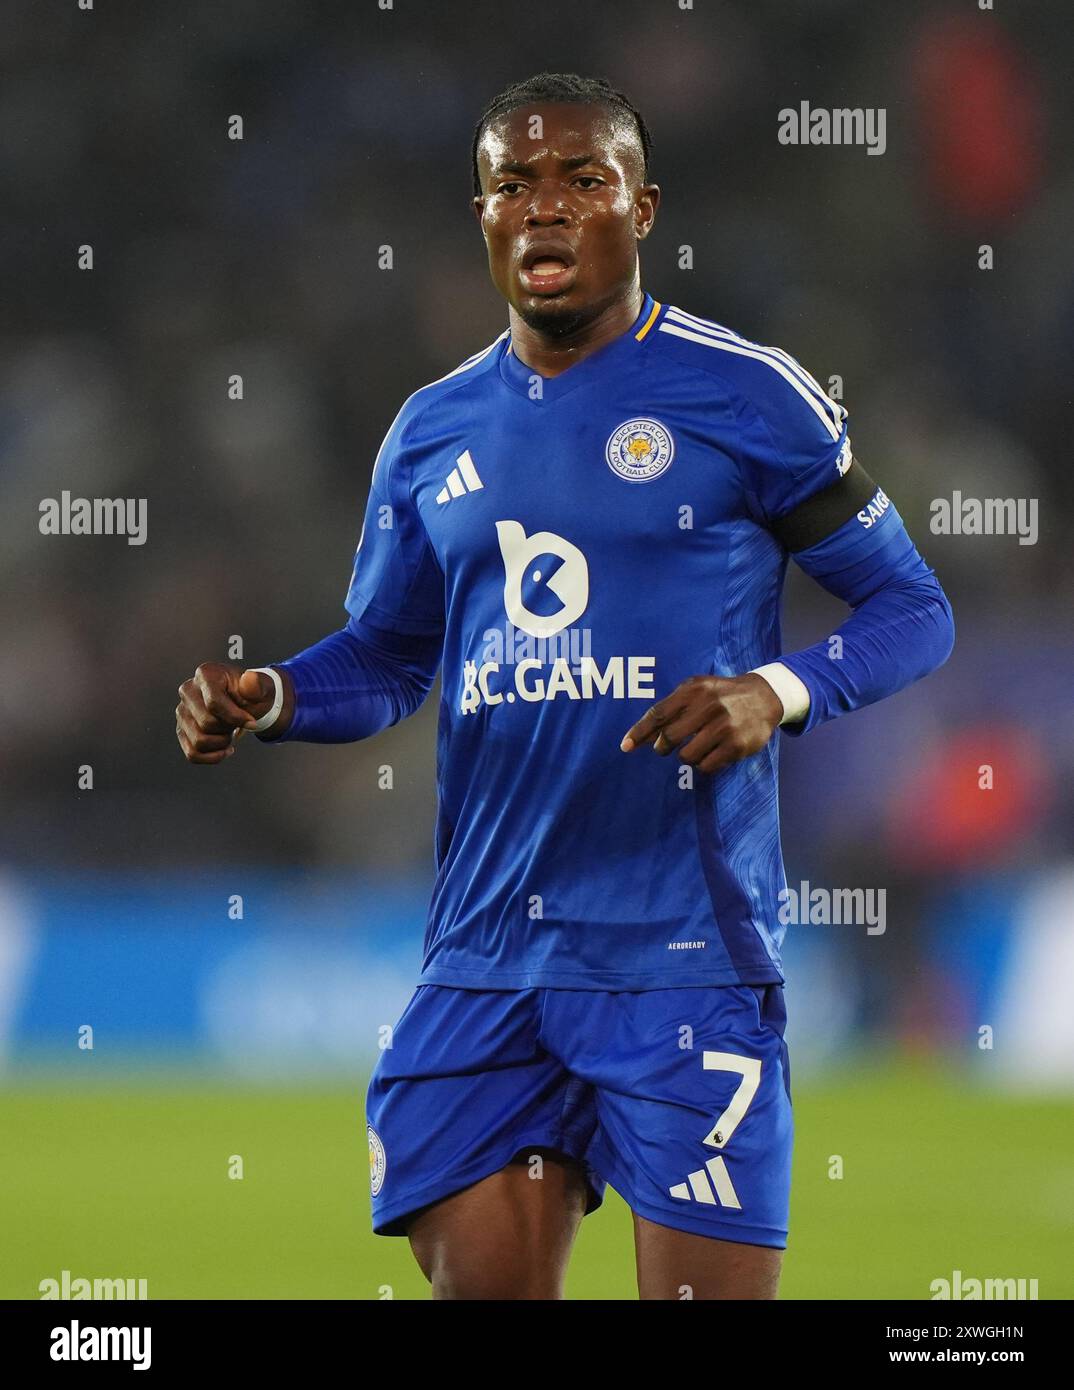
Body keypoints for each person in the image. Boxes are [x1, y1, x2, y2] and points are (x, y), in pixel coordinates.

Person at [176, 72, 954, 1299]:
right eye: (512, 185)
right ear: (481, 214)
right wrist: (269, 694)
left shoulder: (749, 397)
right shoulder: (431, 431)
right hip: (484, 960)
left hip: (680, 958)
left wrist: (774, 692)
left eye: (582, 181)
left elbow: (916, 608)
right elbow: (386, 659)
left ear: (642, 207)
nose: (544, 208)